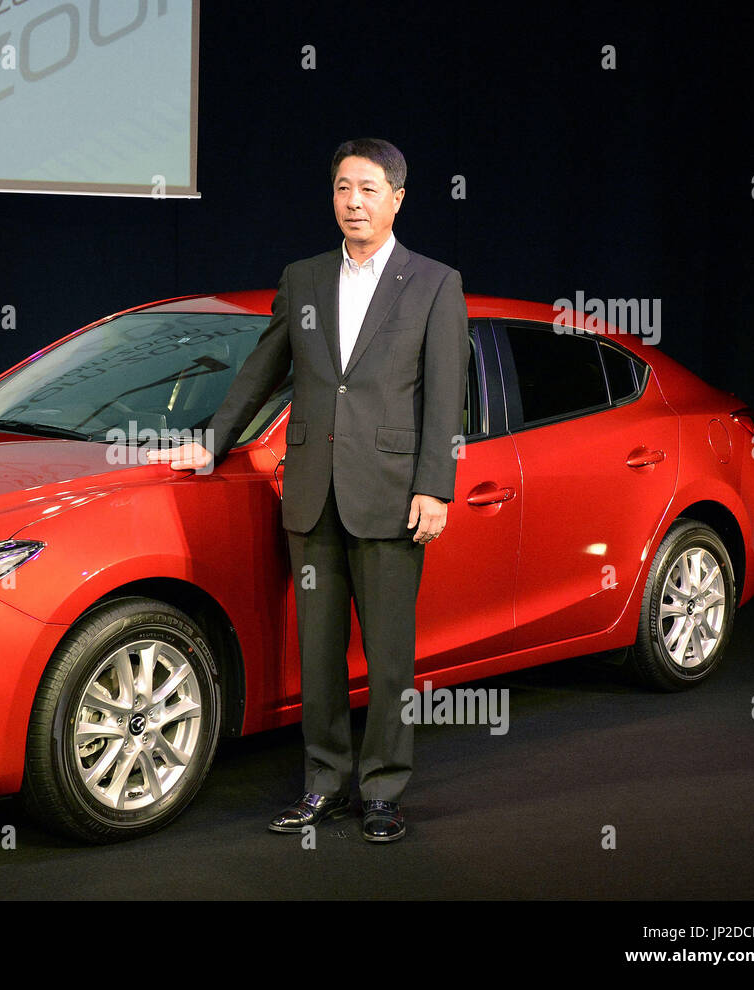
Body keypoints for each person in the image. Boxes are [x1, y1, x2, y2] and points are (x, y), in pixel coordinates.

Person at [147, 138, 469, 842]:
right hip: (312, 496)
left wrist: (434, 487)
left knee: (388, 658)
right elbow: (264, 368)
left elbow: (446, 396)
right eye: (343, 188)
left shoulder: (436, 283)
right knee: (316, 655)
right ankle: (324, 784)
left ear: (398, 198)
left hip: (390, 494)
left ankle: (383, 790)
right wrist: (213, 440)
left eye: (369, 189)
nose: (353, 201)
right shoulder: (305, 277)